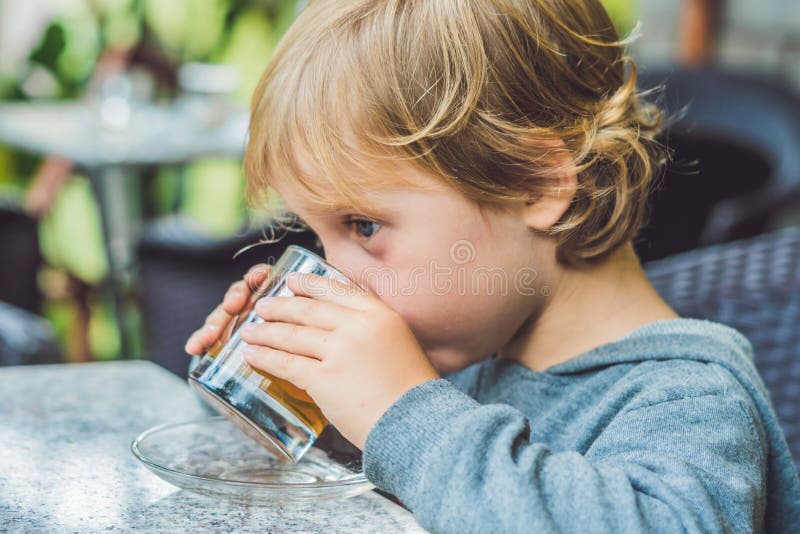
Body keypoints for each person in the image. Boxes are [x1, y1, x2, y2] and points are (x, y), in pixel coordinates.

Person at [184, 1, 800, 531]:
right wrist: (296, 405)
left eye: (364, 227)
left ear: (535, 186)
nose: (335, 276)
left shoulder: (686, 401)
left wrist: (399, 411)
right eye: (317, 237)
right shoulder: (467, 363)